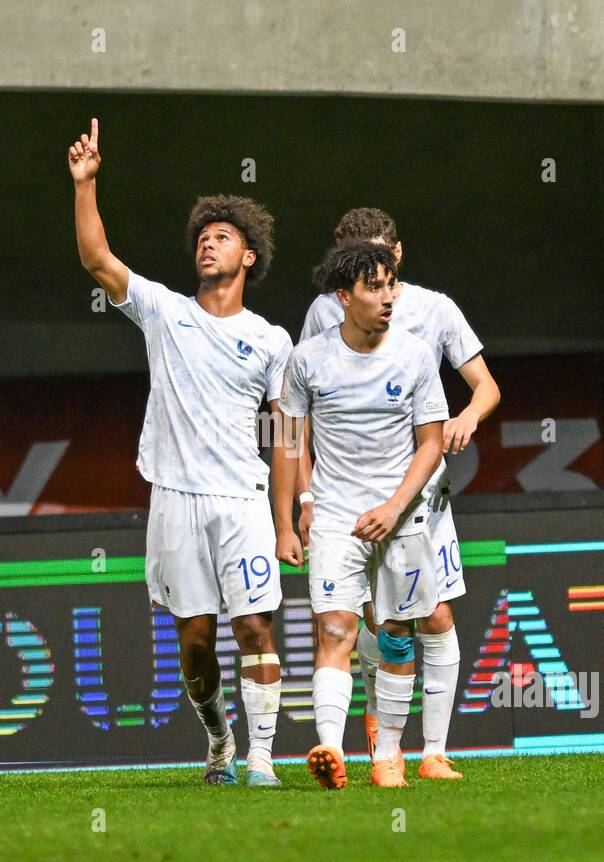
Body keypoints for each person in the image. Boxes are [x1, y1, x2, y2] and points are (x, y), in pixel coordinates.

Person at [69, 118, 294, 786]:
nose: (207, 245)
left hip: (244, 501)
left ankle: (261, 761)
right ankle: (220, 737)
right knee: (195, 640)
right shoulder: (165, 312)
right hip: (174, 499)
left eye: (221, 237)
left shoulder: (272, 340)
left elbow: (285, 434)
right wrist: (86, 185)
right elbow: (98, 261)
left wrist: (290, 516)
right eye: (202, 237)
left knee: (254, 627)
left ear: (247, 256)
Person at [298, 208, 499, 779]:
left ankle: (434, 748)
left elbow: (486, 386)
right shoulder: (324, 314)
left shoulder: (435, 310)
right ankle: (381, 739)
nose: (376, 269)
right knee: (364, 620)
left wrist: (467, 416)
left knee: (431, 617)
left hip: (422, 492)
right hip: (349, 498)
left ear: (399, 252)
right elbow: (303, 412)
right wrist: (308, 498)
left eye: (382, 253)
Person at [278, 241, 448, 789]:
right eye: (374, 287)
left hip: (402, 518)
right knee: (335, 627)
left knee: (397, 635)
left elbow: (432, 443)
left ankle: (390, 755)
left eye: (391, 284)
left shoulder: (415, 355)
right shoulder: (307, 361)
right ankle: (330, 748)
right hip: (335, 517)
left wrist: (395, 506)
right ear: (343, 296)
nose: (387, 297)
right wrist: (290, 514)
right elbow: (285, 439)